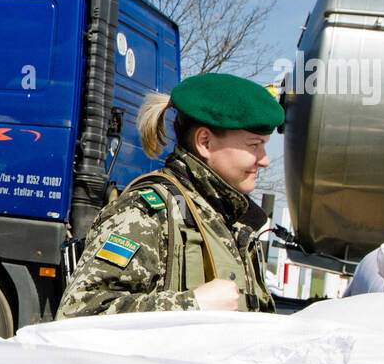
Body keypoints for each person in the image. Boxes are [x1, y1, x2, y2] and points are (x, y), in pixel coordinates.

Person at [56, 72, 283, 317]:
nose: (265, 160)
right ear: (205, 142)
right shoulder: (146, 213)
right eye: (254, 145)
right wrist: (193, 304)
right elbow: (79, 312)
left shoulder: (230, 221)